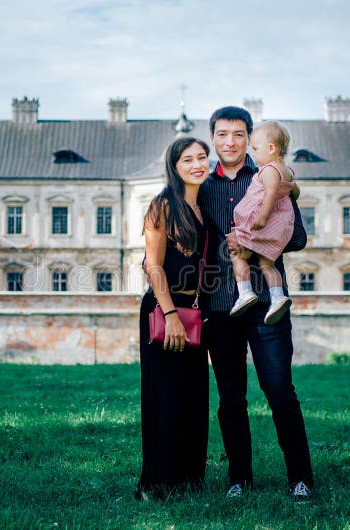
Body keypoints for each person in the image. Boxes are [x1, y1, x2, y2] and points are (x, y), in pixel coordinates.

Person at [198, 106, 315, 501]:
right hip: (221, 302)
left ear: (250, 138)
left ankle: (300, 477)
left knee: (279, 389)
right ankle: (238, 478)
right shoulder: (202, 183)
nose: (229, 142)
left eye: (237, 134)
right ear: (212, 138)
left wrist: (256, 237)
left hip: (267, 302)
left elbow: (297, 238)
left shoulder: (270, 174)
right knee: (231, 396)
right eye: (222, 134)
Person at [136, 136, 211, 501]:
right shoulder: (163, 205)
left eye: (202, 157)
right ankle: (157, 484)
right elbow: (153, 265)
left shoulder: (205, 205)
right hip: (165, 311)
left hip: (195, 313)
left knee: (193, 397)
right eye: (188, 160)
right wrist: (171, 314)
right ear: (175, 166)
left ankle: (189, 480)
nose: (198, 165)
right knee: (164, 397)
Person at [230, 121, 295, 324]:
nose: (254, 154)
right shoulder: (287, 171)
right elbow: (295, 190)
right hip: (279, 228)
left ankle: (245, 292)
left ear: (271, 148)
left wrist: (262, 217)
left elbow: (270, 194)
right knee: (267, 264)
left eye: (256, 149)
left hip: (262, 225)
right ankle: (278, 297)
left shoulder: (269, 170)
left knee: (237, 254)